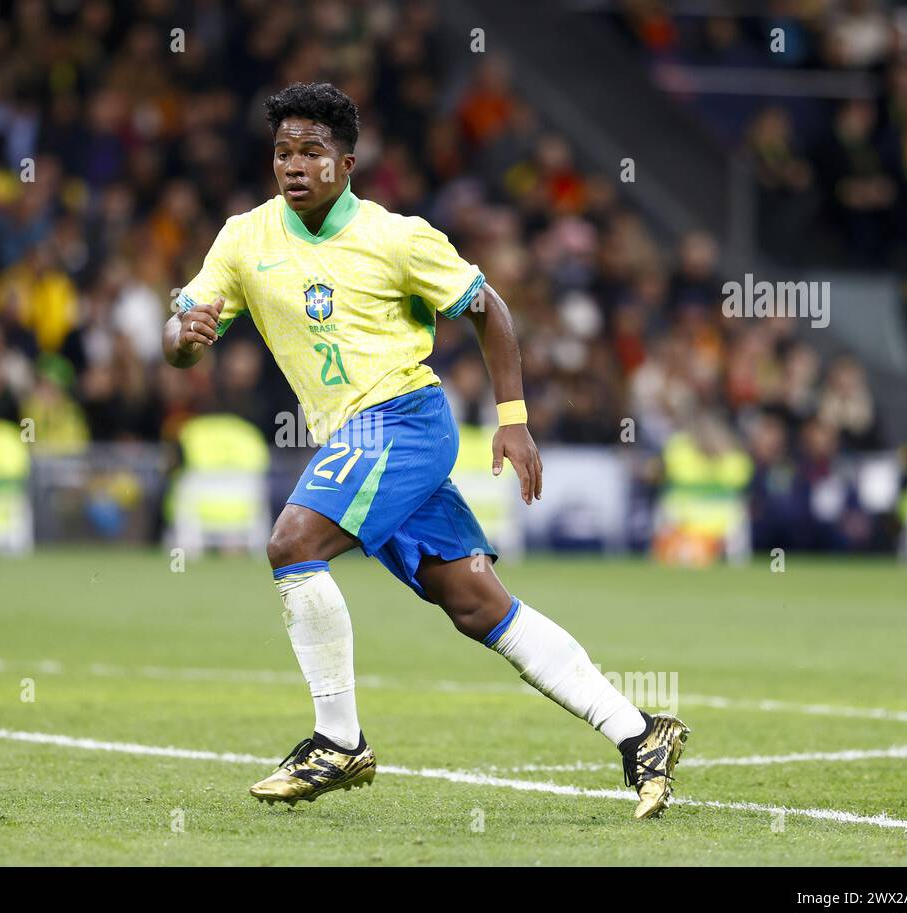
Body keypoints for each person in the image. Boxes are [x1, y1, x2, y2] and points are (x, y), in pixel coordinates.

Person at [162, 83, 689, 819]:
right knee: (475, 603)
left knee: (292, 543)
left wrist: (513, 419)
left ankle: (338, 740)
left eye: (312, 152)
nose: (294, 166)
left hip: (401, 420)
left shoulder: (397, 237)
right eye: (283, 152)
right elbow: (183, 322)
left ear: (346, 162)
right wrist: (184, 340)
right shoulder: (245, 238)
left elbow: (488, 308)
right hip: (356, 441)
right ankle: (640, 734)